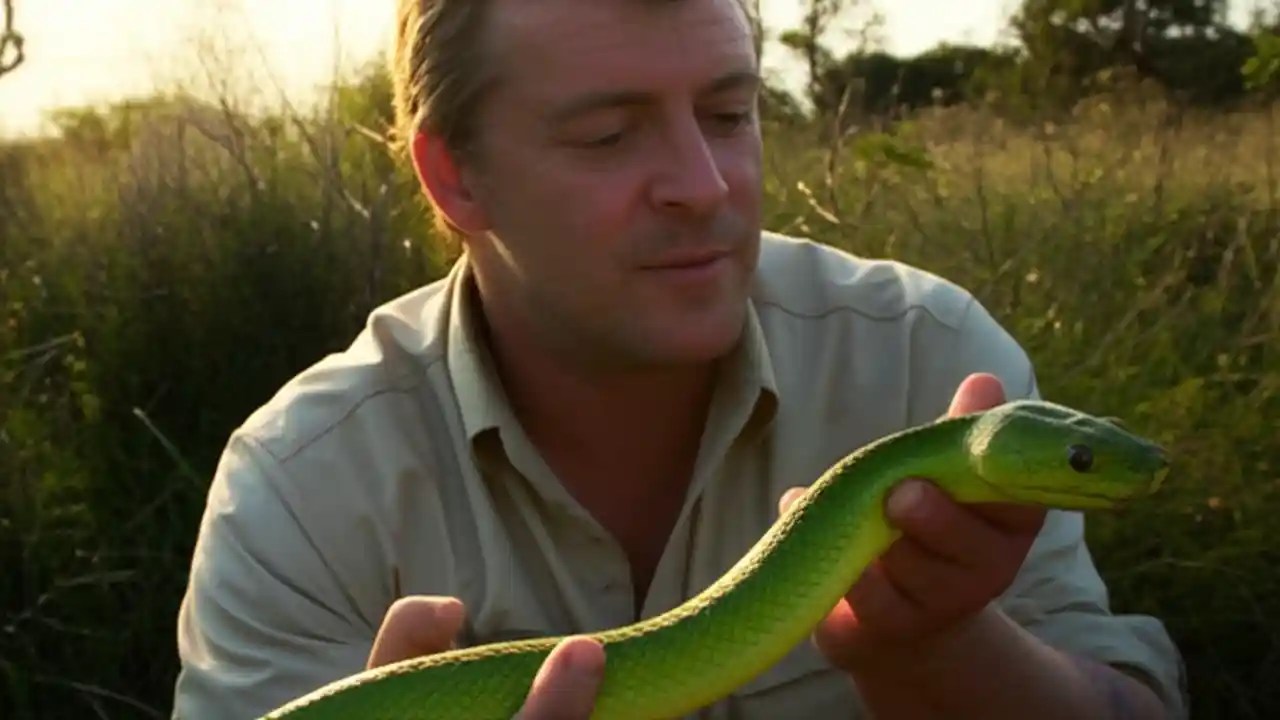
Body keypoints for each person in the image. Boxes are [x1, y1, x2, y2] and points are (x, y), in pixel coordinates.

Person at [171, 0, 1188, 717]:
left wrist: (930, 640)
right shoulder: (300, 488)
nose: (703, 186)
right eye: (609, 135)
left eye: (727, 114)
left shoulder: (927, 361)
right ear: (455, 178)